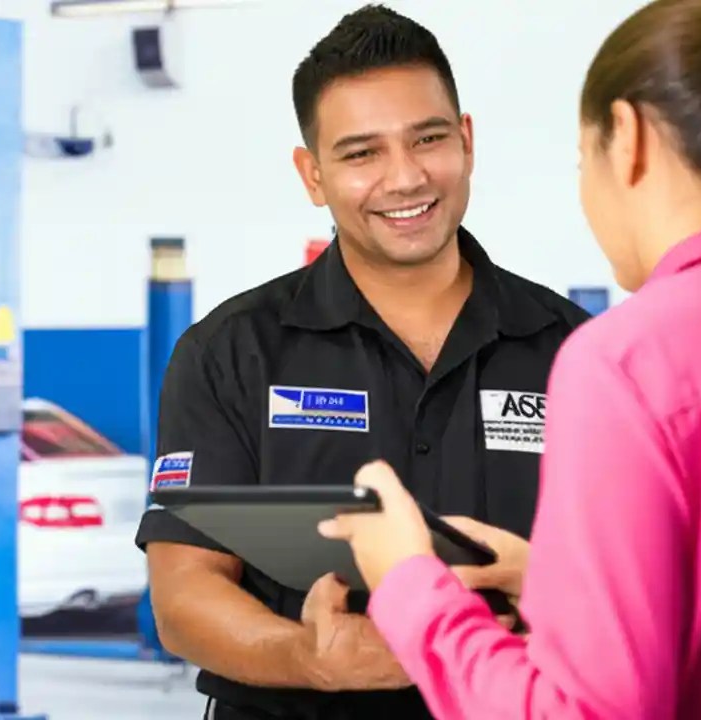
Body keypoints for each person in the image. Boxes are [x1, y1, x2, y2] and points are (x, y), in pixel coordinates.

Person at [319, 2, 701, 719]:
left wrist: (406, 582)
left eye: (584, 159)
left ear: (630, 138)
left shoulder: (625, 364)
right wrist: (552, 579)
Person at [133, 5, 591, 719]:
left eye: (428, 139)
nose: (404, 177)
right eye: (361, 153)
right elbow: (183, 593)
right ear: (312, 174)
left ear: (466, 141)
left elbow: (635, 588)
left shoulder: (577, 353)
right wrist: (306, 659)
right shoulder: (231, 353)